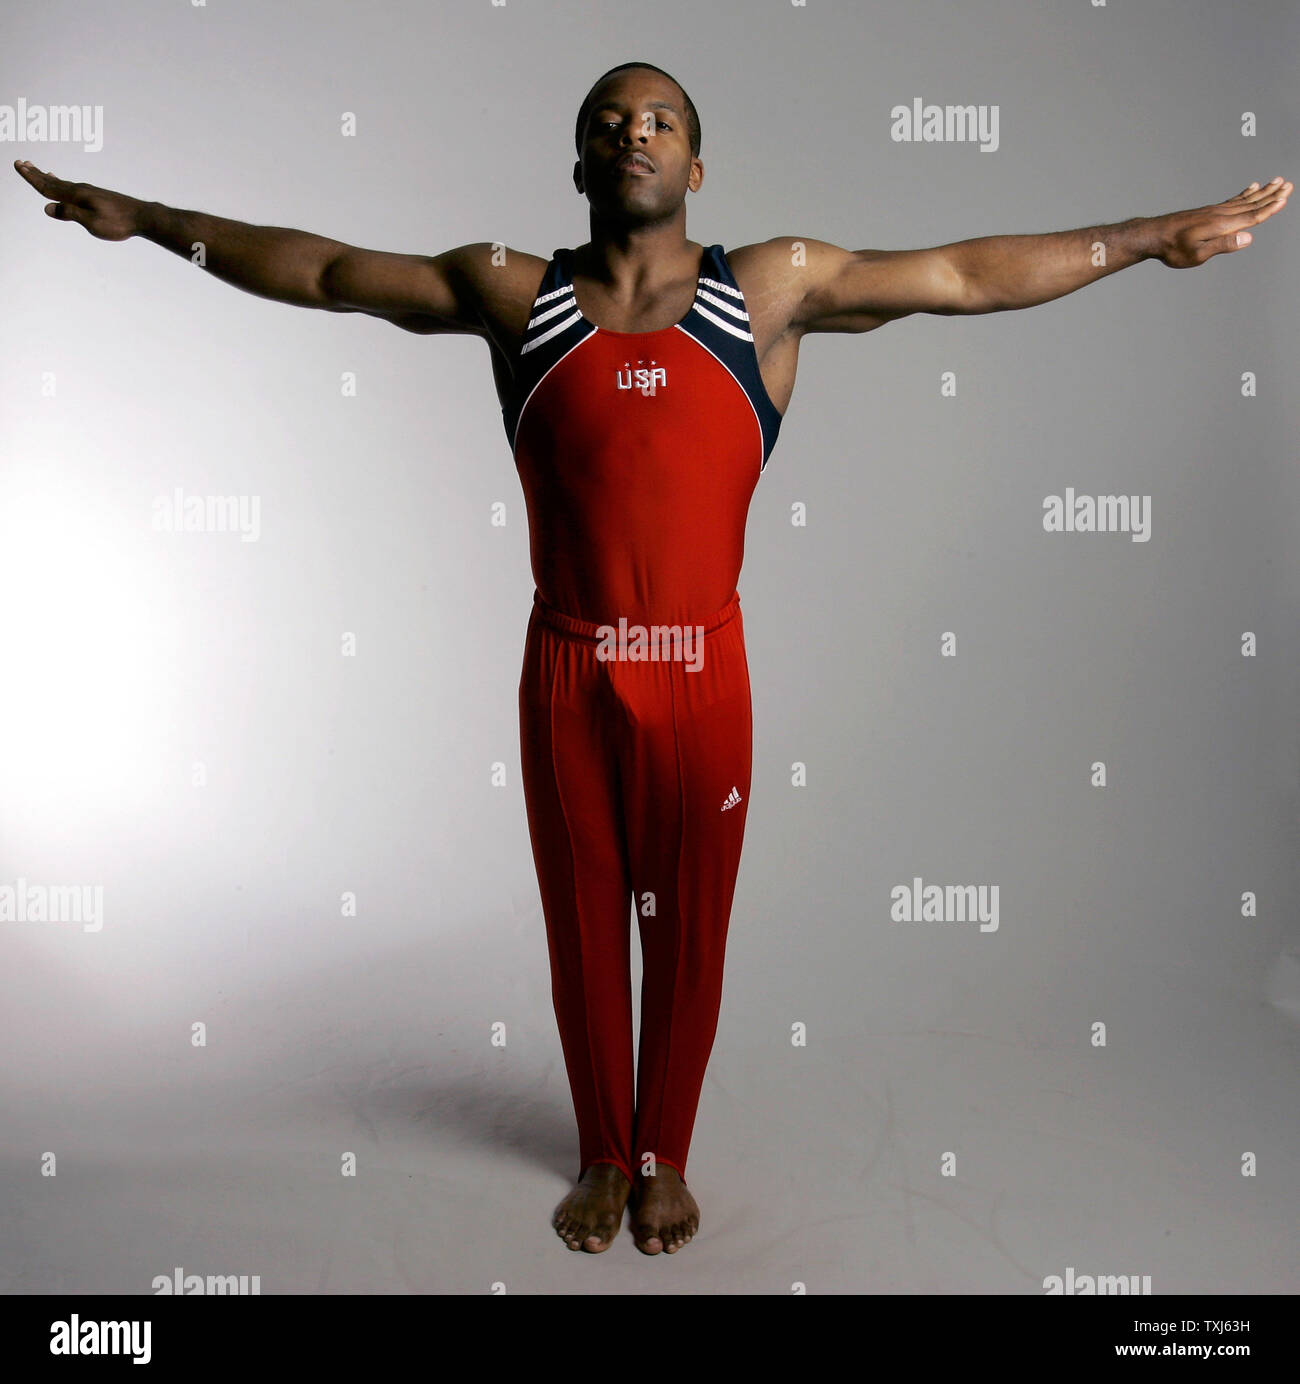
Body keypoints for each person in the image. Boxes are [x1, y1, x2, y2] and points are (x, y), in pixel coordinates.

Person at [15, 60, 1289, 1258]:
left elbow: (958, 273)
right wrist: (150, 215)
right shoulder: (513, 291)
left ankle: (663, 1146)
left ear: (696, 164)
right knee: (583, 920)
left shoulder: (772, 286)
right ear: (578, 163)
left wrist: (1147, 237)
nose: (635, 133)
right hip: (565, 667)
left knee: (685, 924)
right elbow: (336, 270)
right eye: (610, 122)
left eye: (660, 120)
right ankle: (599, 1152)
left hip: (700, 671)